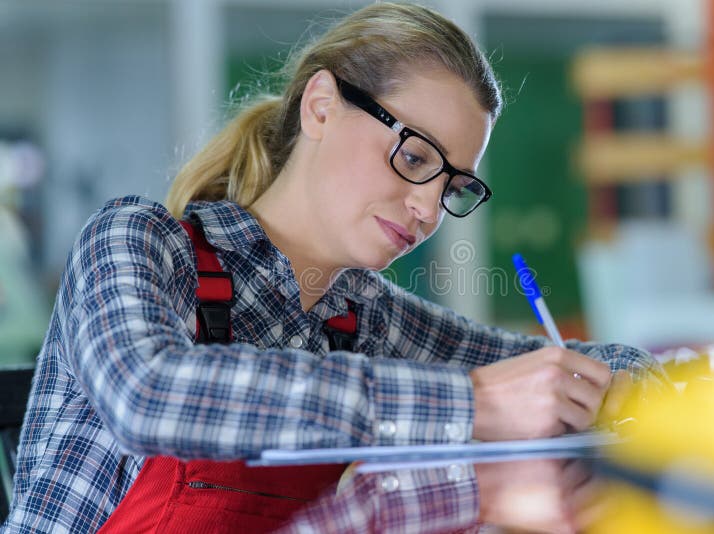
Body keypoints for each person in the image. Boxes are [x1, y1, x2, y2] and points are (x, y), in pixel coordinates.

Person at [2, 3, 666, 532]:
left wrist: (620, 387)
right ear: (321, 105)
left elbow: (585, 362)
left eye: (453, 186)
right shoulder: (140, 242)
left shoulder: (364, 315)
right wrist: (476, 405)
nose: (429, 208)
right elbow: (148, 393)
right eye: (414, 159)